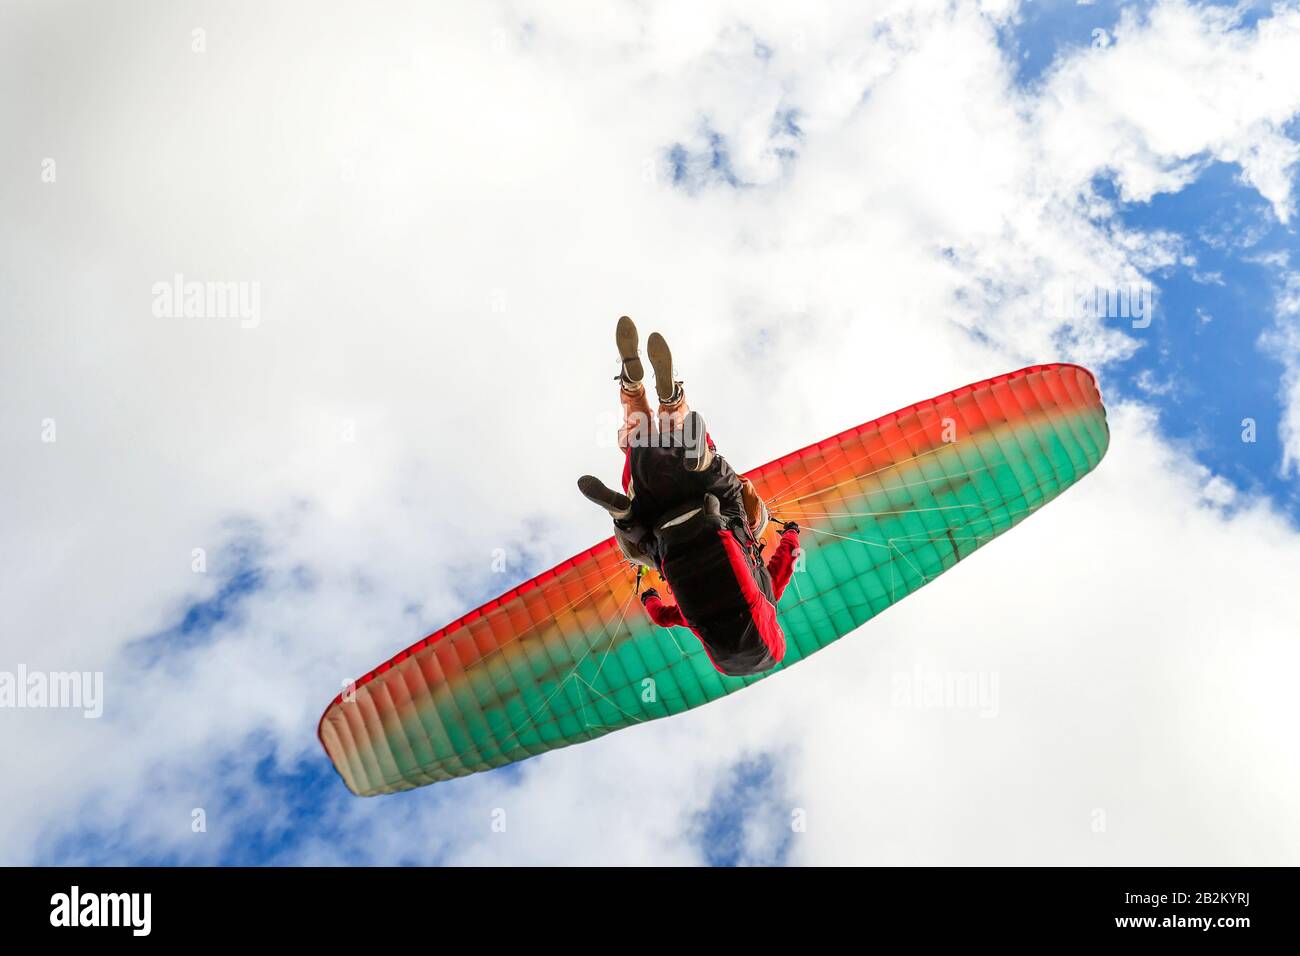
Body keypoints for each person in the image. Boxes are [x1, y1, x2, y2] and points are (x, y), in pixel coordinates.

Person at [577, 316, 801, 677]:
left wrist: (790, 533)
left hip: (710, 505)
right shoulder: (693, 619)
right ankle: (624, 512)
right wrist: (649, 595)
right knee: (640, 521)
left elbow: (783, 565)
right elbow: (663, 617)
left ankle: (683, 420)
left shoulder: (766, 598)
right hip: (660, 523)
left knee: (736, 497)